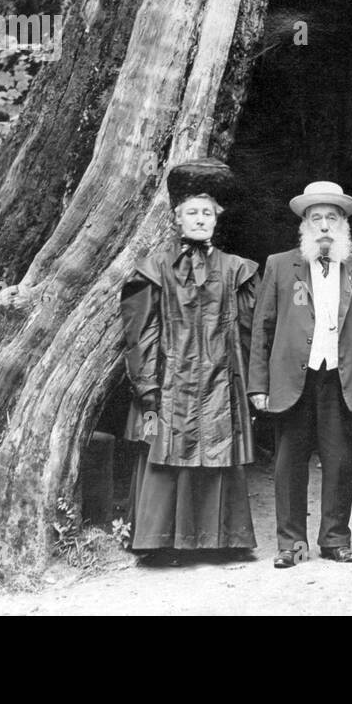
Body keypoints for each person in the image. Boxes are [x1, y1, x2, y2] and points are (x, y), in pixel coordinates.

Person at [121, 157, 259, 560]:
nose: (200, 220)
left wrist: (248, 382)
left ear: (217, 219)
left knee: (217, 448)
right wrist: (146, 384)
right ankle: (160, 542)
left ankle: (221, 541)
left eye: (207, 213)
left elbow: (251, 332)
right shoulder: (156, 268)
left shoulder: (236, 269)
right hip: (170, 379)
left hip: (219, 379)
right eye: (191, 213)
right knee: (168, 448)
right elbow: (140, 330)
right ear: (177, 219)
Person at [249, 181, 352, 569]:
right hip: (294, 379)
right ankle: (291, 543)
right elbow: (262, 328)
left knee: (340, 462)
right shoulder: (279, 265)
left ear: (343, 224)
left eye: (331, 218)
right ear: (305, 226)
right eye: (316, 218)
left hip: (342, 380)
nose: (324, 225)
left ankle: (335, 540)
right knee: (288, 463)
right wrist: (258, 384)